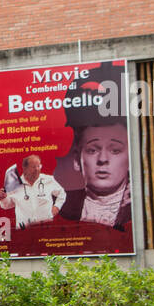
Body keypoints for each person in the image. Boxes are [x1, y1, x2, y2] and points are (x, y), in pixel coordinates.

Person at [57, 62, 132, 229]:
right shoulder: (60, 206)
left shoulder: (138, 207)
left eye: (115, 150)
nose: (103, 160)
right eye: (92, 150)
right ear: (77, 159)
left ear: (130, 157)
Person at [0, 154, 66, 228]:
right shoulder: (15, 184)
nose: (37, 169)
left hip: (46, 227)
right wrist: (2, 198)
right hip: (24, 229)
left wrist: (57, 207)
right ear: (25, 168)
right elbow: (6, 205)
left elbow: (62, 193)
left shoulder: (48, 180)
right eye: (33, 167)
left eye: (38, 166)